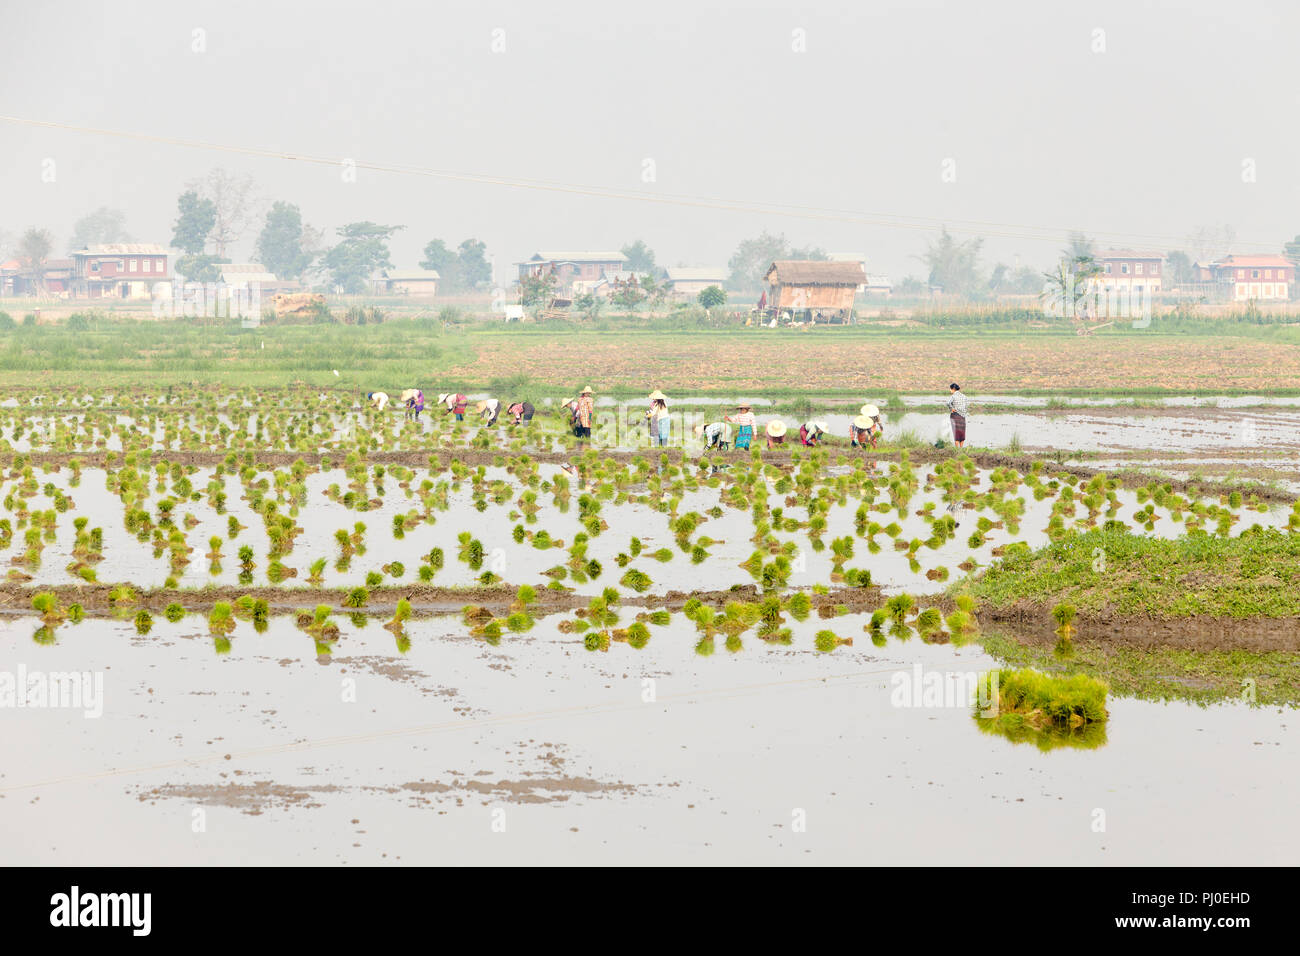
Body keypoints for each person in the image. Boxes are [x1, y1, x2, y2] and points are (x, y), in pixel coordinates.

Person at [947, 383, 968, 448]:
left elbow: (948, 403)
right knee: (962, 432)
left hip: (955, 416)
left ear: (953, 389)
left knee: (956, 432)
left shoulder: (953, 396)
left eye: (950, 389)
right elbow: (966, 405)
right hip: (962, 416)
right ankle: (961, 449)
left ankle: (957, 449)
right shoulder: (964, 396)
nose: (950, 391)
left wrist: (952, 408)